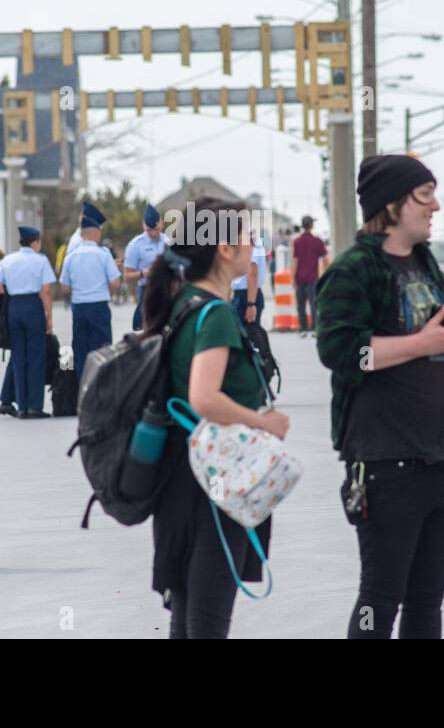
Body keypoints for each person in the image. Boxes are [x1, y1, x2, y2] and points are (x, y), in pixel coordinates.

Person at [315, 155, 444, 639]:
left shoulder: (423, 260)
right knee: (380, 599)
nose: (436, 205)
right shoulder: (354, 270)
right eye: (424, 195)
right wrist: (421, 344)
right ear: (391, 205)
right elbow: (340, 351)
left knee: (428, 600)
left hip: (438, 456)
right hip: (386, 461)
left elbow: (435, 321)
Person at [140, 197, 290, 639]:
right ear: (223, 248)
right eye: (246, 236)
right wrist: (266, 422)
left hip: (181, 477)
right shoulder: (216, 314)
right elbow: (204, 397)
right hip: (216, 483)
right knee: (207, 621)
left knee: (188, 615)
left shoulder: (182, 300)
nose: (252, 244)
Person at [0, 225, 56, 419]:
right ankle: (34, 407)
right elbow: (45, 290)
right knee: (36, 357)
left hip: (14, 308)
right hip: (33, 307)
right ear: (35, 242)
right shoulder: (41, 260)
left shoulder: (8, 260)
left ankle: (21, 407)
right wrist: (49, 317)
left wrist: (12, 294)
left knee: (18, 358)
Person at [58, 201, 122, 383]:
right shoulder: (103, 254)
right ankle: (100, 392)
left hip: (79, 307)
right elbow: (116, 283)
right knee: (102, 351)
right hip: (99, 307)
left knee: (80, 351)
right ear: (94, 233)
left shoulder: (71, 256)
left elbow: (64, 287)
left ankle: (82, 393)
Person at [124, 203, 168, 330]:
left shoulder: (169, 242)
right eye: (149, 230)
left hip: (166, 289)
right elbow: (127, 276)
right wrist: (144, 273)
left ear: (162, 224)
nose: (153, 233)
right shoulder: (135, 245)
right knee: (146, 329)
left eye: (156, 229)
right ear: (143, 225)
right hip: (147, 291)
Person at [0, 246, 20, 417]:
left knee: (14, 361)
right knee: (16, 361)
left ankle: (7, 400)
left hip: (6, 326)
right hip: (8, 326)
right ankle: (7, 401)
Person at [291, 214, 328, 336]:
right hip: (313, 278)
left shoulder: (296, 241)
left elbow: (294, 261)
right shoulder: (317, 241)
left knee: (301, 305)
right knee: (314, 304)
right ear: (311, 225)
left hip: (299, 277)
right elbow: (325, 260)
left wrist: (293, 279)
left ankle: (303, 329)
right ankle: (314, 329)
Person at [231, 229, 270, 326]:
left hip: (246, 294)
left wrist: (250, 304)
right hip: (249, 293)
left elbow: (253, 271)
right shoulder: (253, 240)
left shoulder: (249, 240)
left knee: (245, 334)